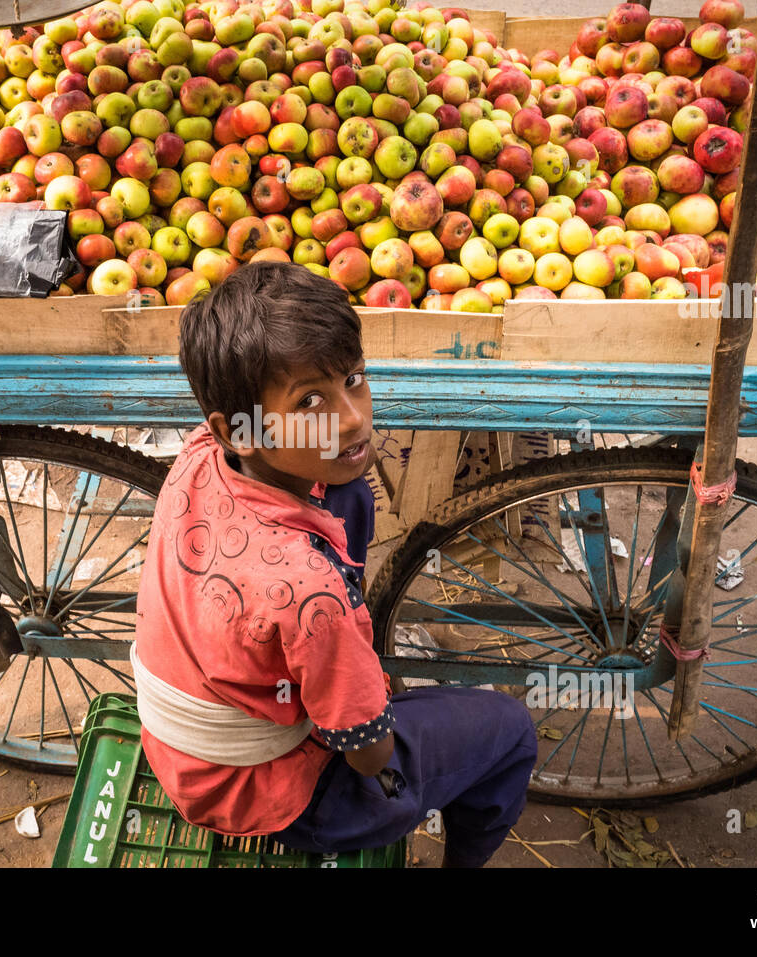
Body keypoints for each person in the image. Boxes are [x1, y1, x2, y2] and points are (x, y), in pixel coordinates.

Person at [132, 262, 537, 867]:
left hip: (186, 745)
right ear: (238, 430)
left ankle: (331, 667)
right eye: (311, 401)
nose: (353, 417)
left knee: (346, 492)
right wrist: (378, 756)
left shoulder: (200, 452)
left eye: (354, 378)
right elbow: (368, 753)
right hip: (267, 794)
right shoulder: (308, 592)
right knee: (510, 729)